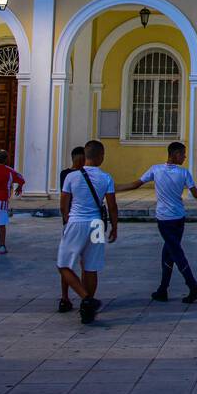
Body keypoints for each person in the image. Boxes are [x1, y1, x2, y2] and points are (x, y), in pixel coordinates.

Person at [116, 141, 197, 304]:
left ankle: (193, 287)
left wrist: (115, 187)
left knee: (176, 253)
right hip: (178, 218)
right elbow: (196, 194)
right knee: (168, 252)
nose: (184, 157)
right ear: (175, 154)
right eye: (183, 154)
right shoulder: (183, 173)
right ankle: (163, 289)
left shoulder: (156, 169)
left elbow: (135, 184)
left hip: (164, 219)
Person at [58, 139, 117, 324]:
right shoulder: (106, 178)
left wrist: (68, 220)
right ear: (100, 156)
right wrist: (115, 226)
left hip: (76, 222)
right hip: (97, 224)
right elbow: (112, 206)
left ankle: (86, 299)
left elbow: (63, 203)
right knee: (91, 267)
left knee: (63, 265)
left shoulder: (71, 177)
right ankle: (88, 305)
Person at [54, 147, 86, 312]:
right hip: (81, 223)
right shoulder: (75, 176)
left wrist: (66, 220)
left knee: (68, 262)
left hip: (71, 223)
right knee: (84, 263)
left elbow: (64, 202)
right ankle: (84, 297)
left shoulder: (65, 175)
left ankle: (67, 297)